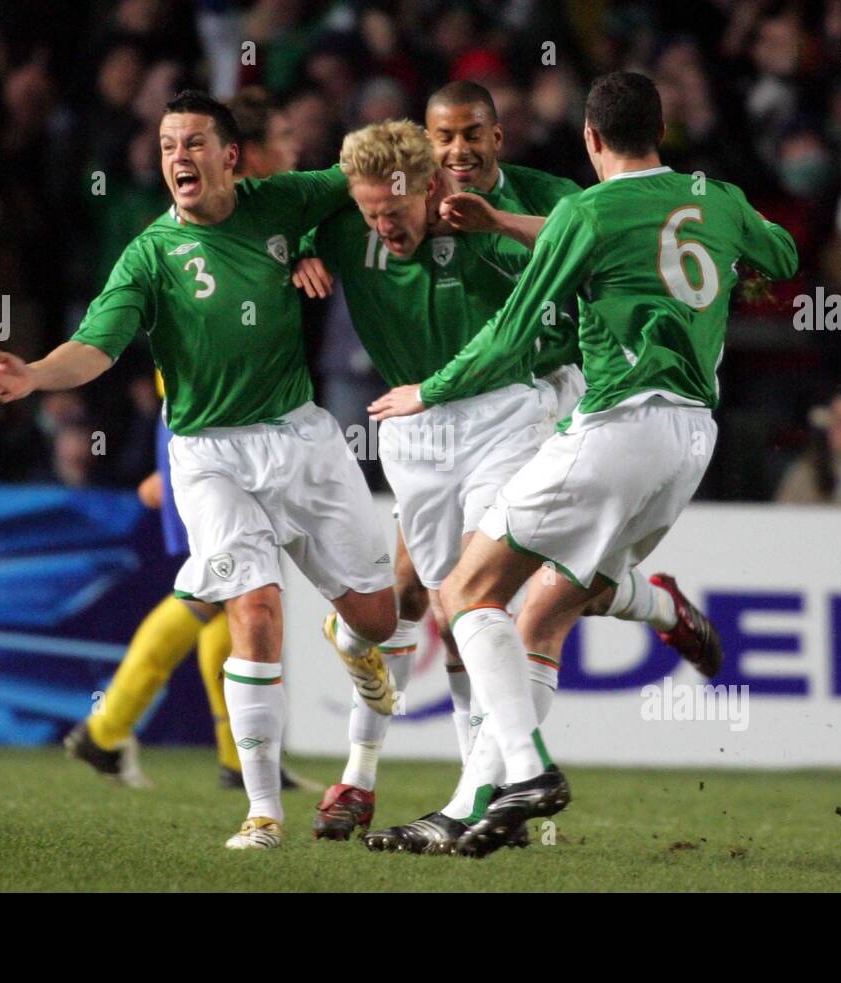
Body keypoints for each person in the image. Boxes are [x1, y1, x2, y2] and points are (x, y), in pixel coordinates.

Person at [369, 71, 799, 857]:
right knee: (542, 613)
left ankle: (527, 773)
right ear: (659, 131)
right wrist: (737, 265)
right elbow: (783, 255)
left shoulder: (586, 210)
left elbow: (507, 337)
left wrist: (426, 392)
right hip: (692, 441)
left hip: (616, 428)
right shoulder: (719, 198)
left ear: (591, 139)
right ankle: (467, 806)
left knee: (467, 590)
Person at [0, 90, 397, 851]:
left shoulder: (282, 202)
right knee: (252, 608)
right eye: (168, 146)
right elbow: (95, 344)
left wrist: (321, 241)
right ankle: (262, 810)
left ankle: (354, 643)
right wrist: (35, 374)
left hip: (300, 438)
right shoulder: (150, 254)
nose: (177, 158)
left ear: (231, 156)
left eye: (193, 142)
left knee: (378, 619)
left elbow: (357, 182)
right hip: (207, 453)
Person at [291, 99, 582, 846]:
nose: (384, 225)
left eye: (395, 208)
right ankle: (388, 775)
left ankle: (493, 784)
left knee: (470, 596)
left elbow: (582, 249)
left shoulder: (482, 225)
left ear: (425, 188)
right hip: (409, 429)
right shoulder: (342, 220)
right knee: (434, 605)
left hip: (504, 414)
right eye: (370, 214)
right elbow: (263, 217)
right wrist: (295, 250)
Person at [65, 87, 311, 794]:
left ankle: (236, 756)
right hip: (204, 426)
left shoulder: (270, 223)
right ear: (250, 153)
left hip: (239, 424)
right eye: (286, 137)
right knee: (212, 590)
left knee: (231, 589)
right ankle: (106, 730)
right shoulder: (183, 233)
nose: (296, 150)